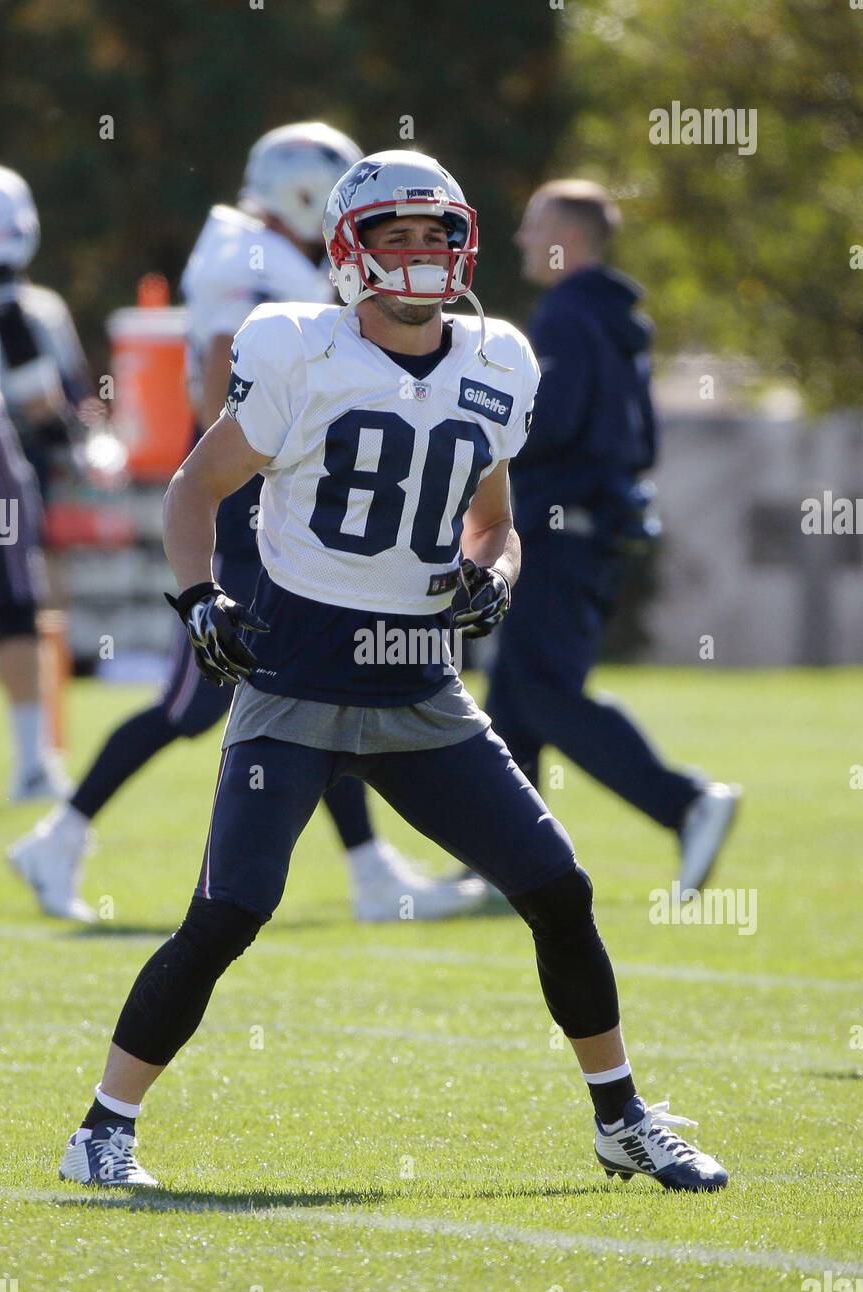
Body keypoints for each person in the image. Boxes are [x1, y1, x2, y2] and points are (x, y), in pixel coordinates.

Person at [56, 150, 728, 1195]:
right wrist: (198, 602)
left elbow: (496, 522)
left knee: (559, 888)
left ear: (461, 243)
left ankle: (622, 1117)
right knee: (228, 912)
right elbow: (196, 488)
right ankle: (103, 1128)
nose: (417, 255)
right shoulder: (299, 348)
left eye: (433, 235)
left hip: (422, 685)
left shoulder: (499, 358)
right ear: (347, 251)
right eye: (393, 237)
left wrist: (491, 576)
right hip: (297, 674)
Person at [8, 123, 483, 924]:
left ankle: (370, 871)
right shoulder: (245, 257)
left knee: (314, 680)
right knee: (199, 702)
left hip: (276, 499)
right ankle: (58, 836)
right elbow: (226, 375)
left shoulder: (261, 252)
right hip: (253, 505)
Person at [487, 179, 740, 893]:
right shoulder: (617, 318)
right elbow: (641, 438)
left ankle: (685, 802)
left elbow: (551, 425)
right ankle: (513, 864)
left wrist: (479, 445)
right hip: (597, 527)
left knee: (544, 692)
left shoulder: (565, 314)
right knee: (512, 703)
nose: (522, 240)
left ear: (567, 236)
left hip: (558, 528)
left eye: (535, 226)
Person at [0, 77, 74, 800]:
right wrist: (44, 409)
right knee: (11, 587)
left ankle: (33, 759)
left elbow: (5, 307)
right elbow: (5, 311)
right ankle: (33, 762)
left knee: (13, 589)